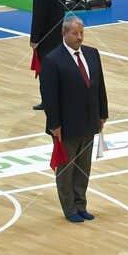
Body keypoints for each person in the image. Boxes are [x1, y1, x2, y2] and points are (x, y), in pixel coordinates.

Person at [40, 16, 108, 224]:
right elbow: (49, 97)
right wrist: (54, 125)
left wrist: (103, 113)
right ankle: (69, 208)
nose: (79, 37)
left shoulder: (92, 54)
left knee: (83, 167)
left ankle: (81, 205)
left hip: (89, 122)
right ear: (64, 34)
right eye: (75, 34)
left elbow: (100, 86)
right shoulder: (52, 60)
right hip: (66, 127)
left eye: (81, 33)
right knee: (66, 169)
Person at [29, 0, 69, 107]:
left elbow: (39, 17)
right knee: (57, 67)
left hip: (45, 38)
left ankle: (47, 100)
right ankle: (59, 98)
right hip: (58, 34)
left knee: (45, 71)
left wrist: (34, 39)